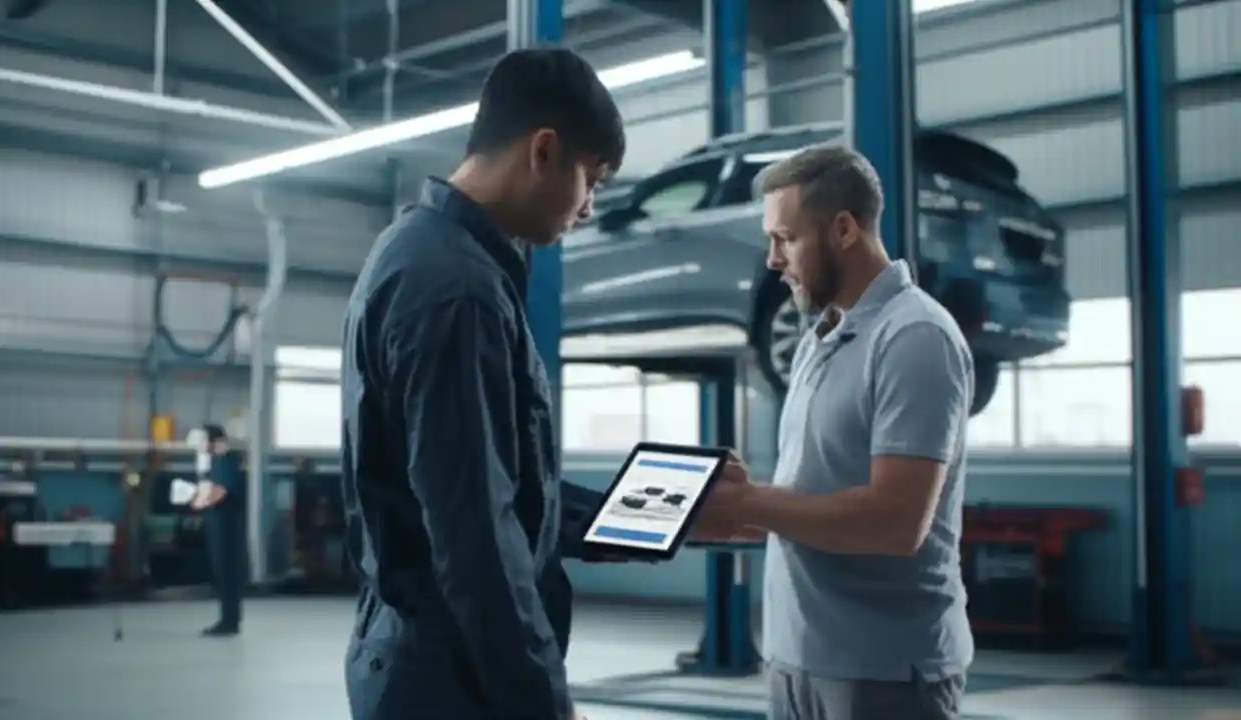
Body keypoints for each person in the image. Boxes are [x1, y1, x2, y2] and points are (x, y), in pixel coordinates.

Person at [338, 47, 744, 720]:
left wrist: (679, 511)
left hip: (425, 659)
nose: (590, 207)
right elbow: (476, 542)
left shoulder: (423, 253)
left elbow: (509, 493)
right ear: (545, 152)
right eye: (596, 179)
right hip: (452, 680)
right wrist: (543, 702)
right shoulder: (456, 290)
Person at [698, 144, 975, 719]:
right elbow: (814, 499)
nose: (773, 259)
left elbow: (896, 522)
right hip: (797, 661)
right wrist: (727, 509)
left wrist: (752, 501)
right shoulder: (817, 340)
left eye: (786, 238)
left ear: (844, 229)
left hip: (883, 672)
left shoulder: (915, 337)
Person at [191, 423, 246, 637]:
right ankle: (227, 618)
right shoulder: (214, 463)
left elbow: (221, 492)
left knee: (228, 573)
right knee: (222, 575)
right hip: (218, 525)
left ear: (214, 441)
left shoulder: (228, 461)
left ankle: (230, 621)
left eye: (203, 440)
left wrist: (202, 499)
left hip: (228, 529)